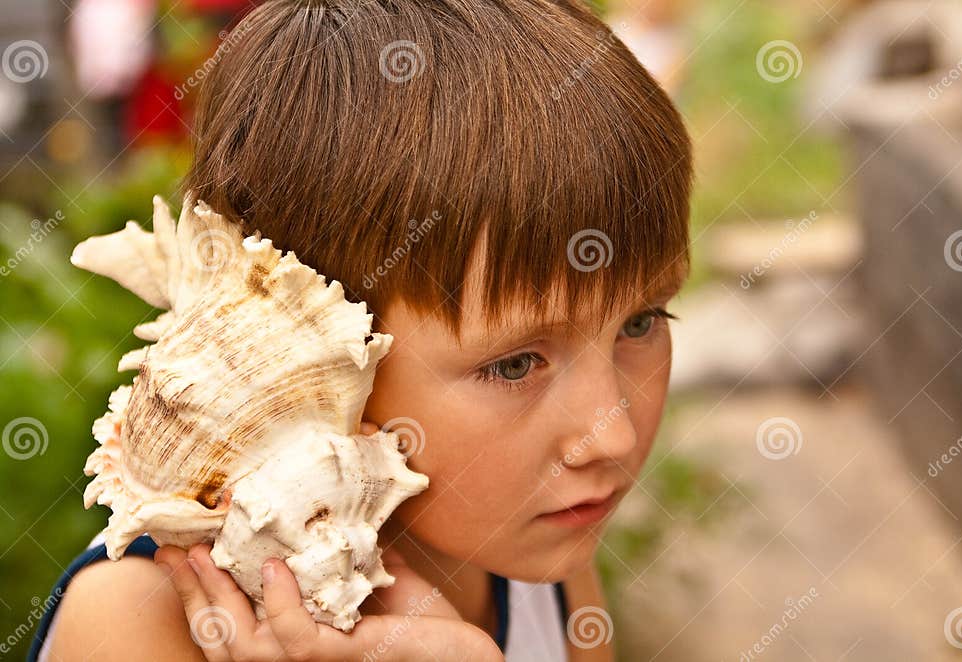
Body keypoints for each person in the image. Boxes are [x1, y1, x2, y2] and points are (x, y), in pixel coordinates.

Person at [30, 0, 693, 659]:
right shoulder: (139, 620)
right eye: (516, 364)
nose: (613, 432)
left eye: (640, 321)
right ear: (305, 352)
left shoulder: (539, 545)